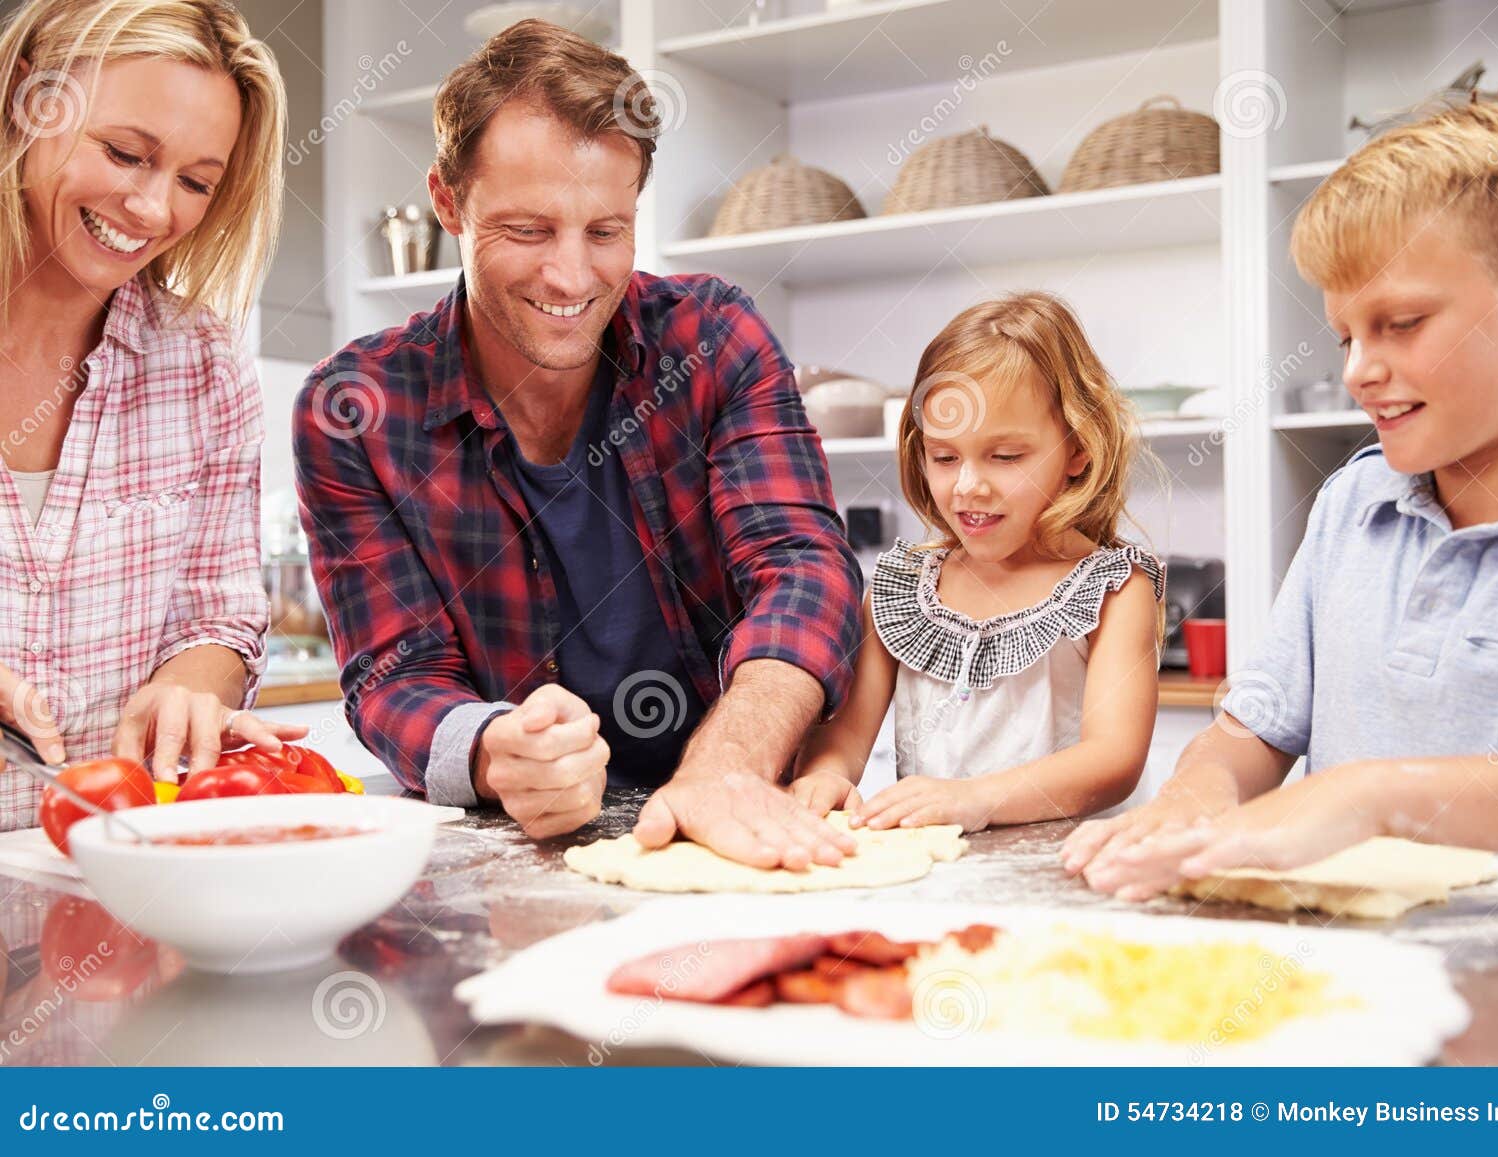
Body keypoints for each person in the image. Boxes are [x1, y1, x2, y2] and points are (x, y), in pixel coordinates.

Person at [294, 19, 863, 870]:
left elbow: (804, 569)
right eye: (527, 230)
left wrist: (726, 761)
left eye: (605, 232)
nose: (570, 277)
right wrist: (493, 750)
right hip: (513, 852)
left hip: (736, 818)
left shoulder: (714, 338)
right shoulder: (355, 412)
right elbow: (394, 675)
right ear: (450, 203)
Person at [1061, 102, 1498, 900]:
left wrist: (1373, 799)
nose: (1357, 370)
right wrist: (1196, 794)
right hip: (1350, 977)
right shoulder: (1351, 505)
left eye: (1401, 323)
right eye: (1347, 336)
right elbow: (1253, 731)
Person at [0, 0, 300, 832]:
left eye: (197, 181)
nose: (153, 208)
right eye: (126, 153)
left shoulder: (201, 364)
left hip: (109, 884)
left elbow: (220, 610)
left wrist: (193, 686)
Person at [790, 292, 1162, 831]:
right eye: (944, 457)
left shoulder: (1114, 590)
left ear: (1078, 448)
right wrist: (824, 775)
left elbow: (1113, 761)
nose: (968, 486)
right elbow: (844, 738)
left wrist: (978, 800)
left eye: (1005, 457)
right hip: (938, 879)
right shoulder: (902, 588)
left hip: (1068, 876)